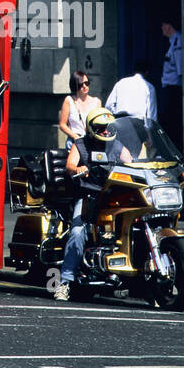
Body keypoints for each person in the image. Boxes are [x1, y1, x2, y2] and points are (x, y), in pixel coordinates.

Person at [55, 108, 130, 301]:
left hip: (114, 198)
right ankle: (65, 282)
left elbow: (131, 161)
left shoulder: (116, 144)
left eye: (107, 127)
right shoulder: (81, 144)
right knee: (78, 231)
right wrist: (77, 167)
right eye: (101, 128)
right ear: (91, 129)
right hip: (89, 196)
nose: (105, 131)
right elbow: (70, 165)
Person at [57, 71, 100, 147]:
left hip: (92, 142)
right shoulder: (69, 100)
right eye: (81, 84)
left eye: (86, 83)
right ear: (75, 85)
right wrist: (75, 136)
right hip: (75, 141)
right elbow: (62, 125)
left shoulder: (96, 102)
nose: (84, 86)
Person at [159, 17, 184, 148]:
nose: (162, 28)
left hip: (174, 88)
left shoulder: (177, 42)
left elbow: (180, 69)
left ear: (169, 26)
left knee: (171, 121)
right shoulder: (172, 41)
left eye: (163, 25)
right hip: (169, 87)